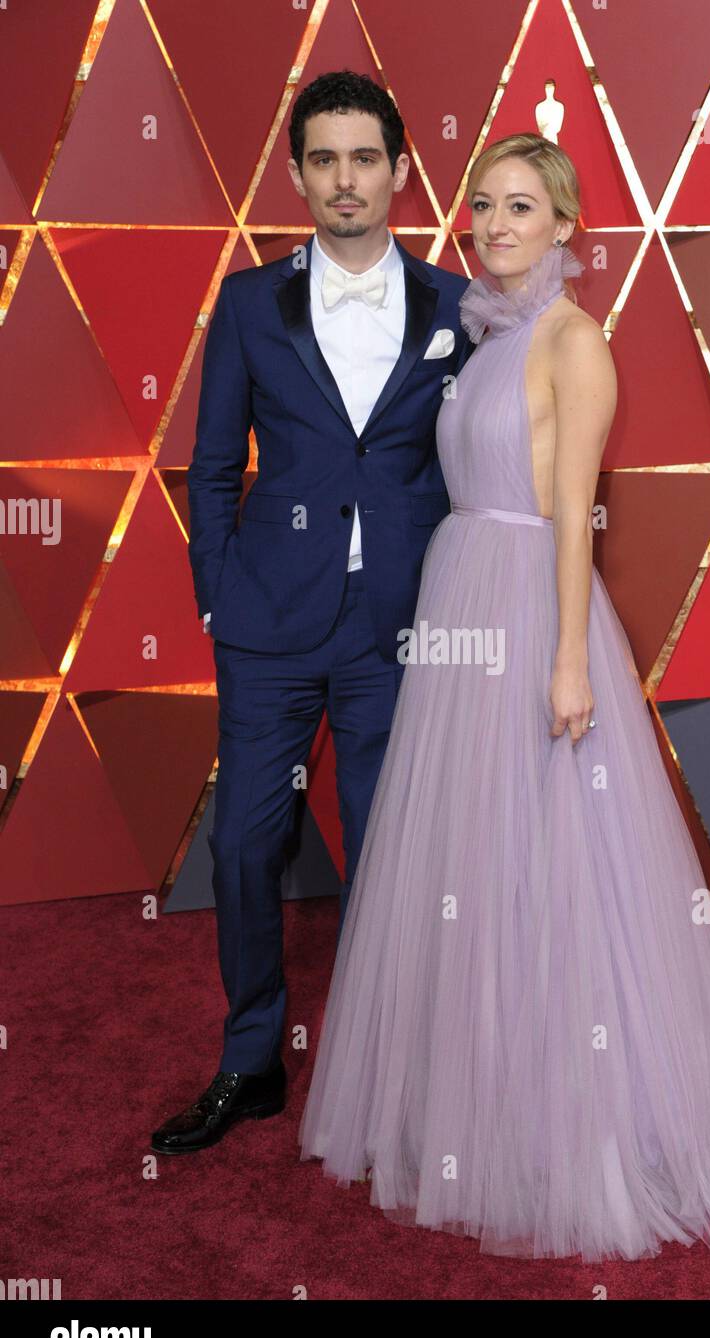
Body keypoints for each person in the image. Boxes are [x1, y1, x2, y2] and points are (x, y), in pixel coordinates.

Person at [297, 133, 710, 1260]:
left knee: (549, 861)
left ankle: (577, 1123)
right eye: (483, 206)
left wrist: (566, 659)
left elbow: (570, 522)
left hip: (530, 613)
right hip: (460, 601)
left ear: (563, 226)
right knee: (467, 864)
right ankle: (470, 1102)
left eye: (521, 209)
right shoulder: (482, 339)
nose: (497, 225)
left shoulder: (574, 342)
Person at [150, 71, 473, 1155]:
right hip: (268, 626)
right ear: (295, 174)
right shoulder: (248, 302)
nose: (345, 179)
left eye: (364, 158)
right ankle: (251, 1061)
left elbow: (476, 459)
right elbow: (207, 467)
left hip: (399, 625)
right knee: (244, 846)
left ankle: (400, 1065)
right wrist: (215, 597)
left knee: (395, 853)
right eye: (323, 159)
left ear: (398, 171)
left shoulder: (451, 307)